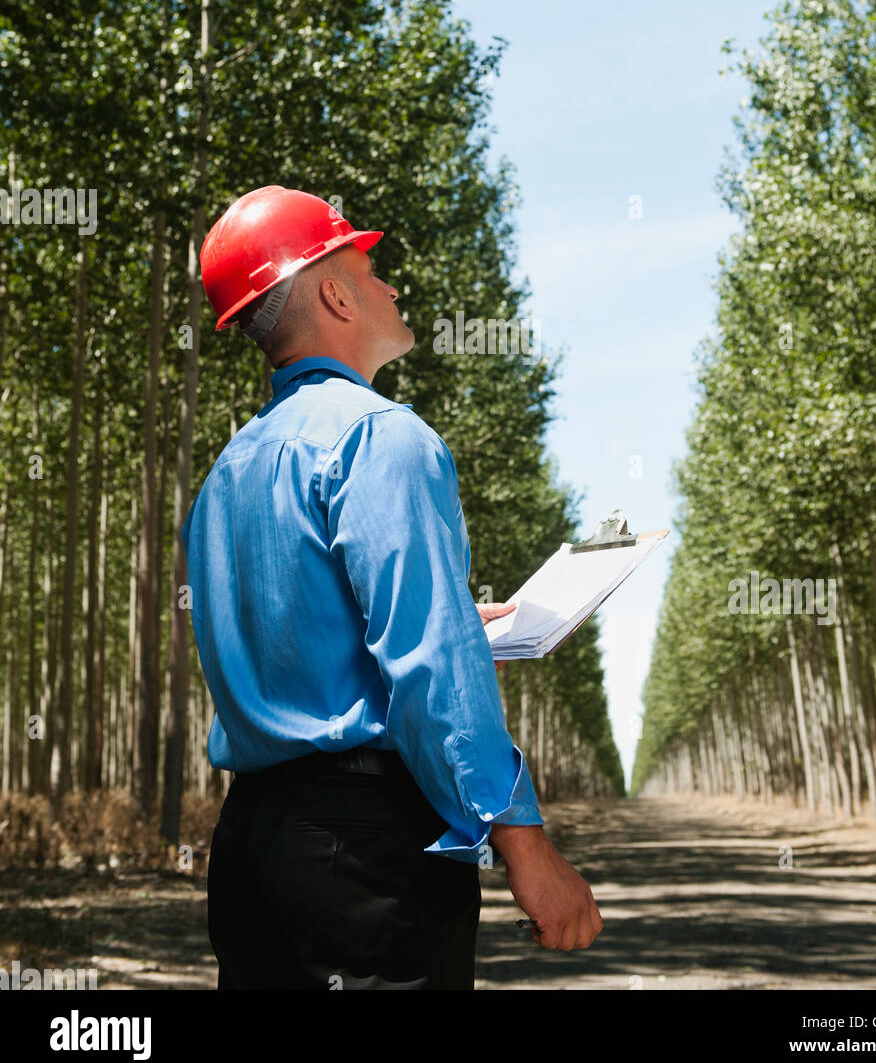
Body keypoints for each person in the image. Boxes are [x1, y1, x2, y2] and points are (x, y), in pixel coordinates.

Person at [182, 185, 603, 990]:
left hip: (251, 846)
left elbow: (293, 644)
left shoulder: (226, 473)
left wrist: (449, 625)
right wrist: (525, 844)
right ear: (333, 293)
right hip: (366, 850)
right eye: (370, 269)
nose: (391, 286)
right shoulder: (380, 436)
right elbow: (431, 670)